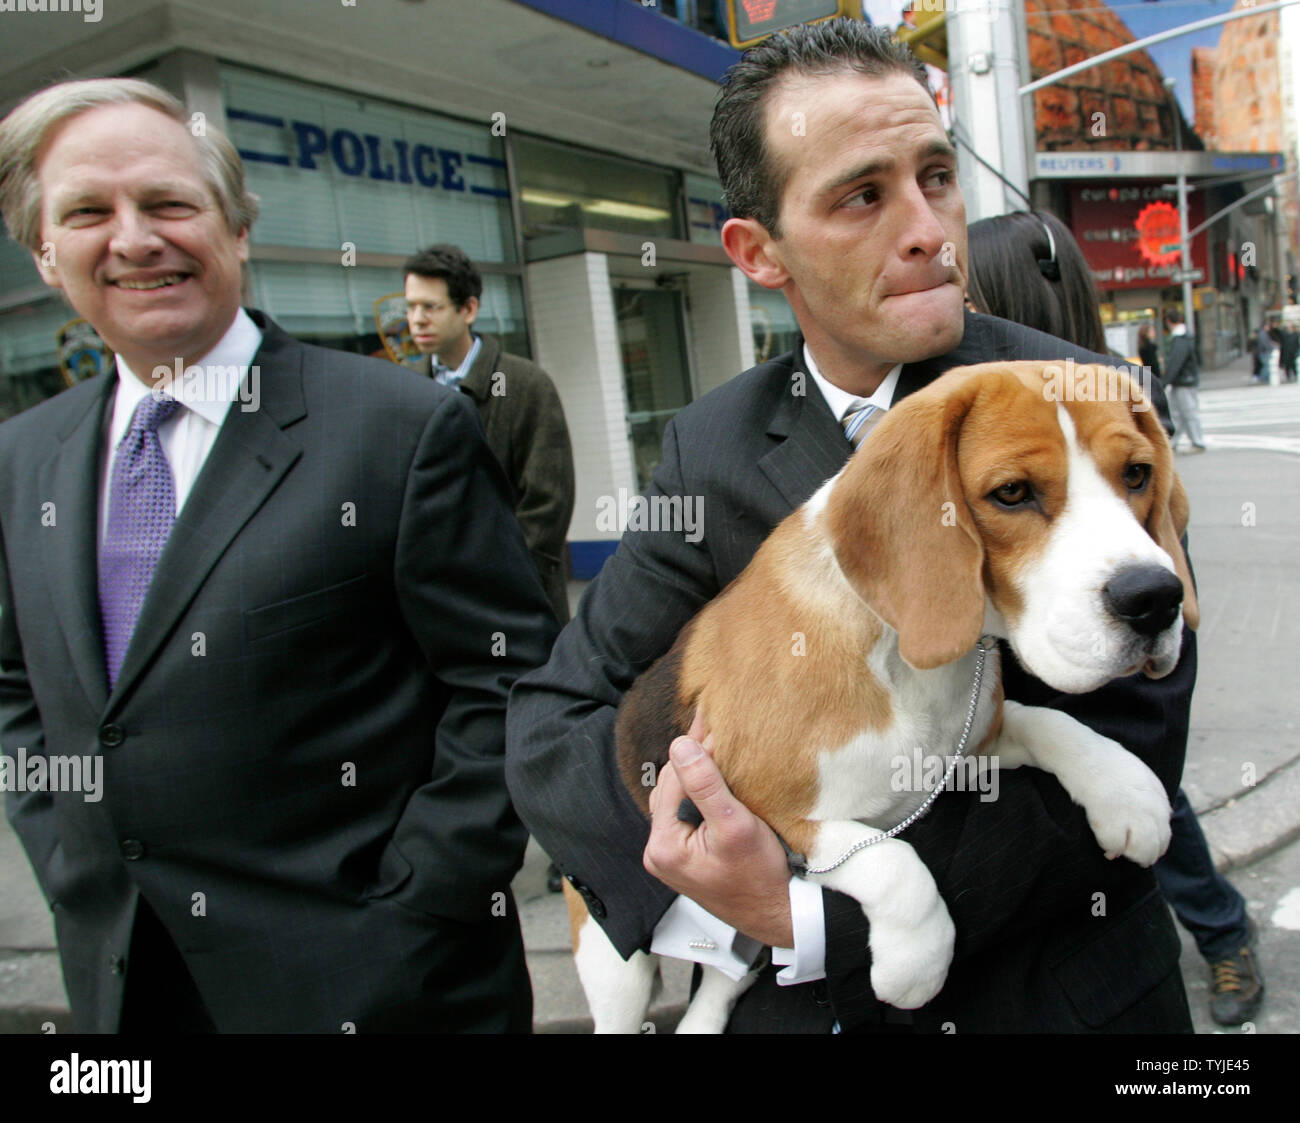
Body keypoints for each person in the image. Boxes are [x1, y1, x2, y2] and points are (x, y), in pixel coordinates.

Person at [506, 19, 1197, 1033]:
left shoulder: (1086, 398)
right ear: (757, 251)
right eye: (863, 195)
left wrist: (811, 915)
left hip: (1057, 1002)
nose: (926, 228)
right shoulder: (708, 445)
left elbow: (1125, 752)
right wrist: (704, 887)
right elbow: (556, 718)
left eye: (935, 176)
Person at [0, 78, 559, 1033]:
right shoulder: (23, 455)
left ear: (238, 229)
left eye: (170, 203)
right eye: (89, 212)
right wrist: (70, 856)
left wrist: (419, 905)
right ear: (45, 255)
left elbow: (509, 686)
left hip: (381, 989)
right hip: (125, 988)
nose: (135, 238)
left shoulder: (401, 428)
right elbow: (18, 688)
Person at [966, 210, 1264, 1028]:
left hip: (1083, 740)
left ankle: (1226, 934)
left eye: (972, 298)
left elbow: (1149, 716)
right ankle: (1223, 925)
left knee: (1151, 805)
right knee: (1151, 806)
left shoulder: (1112, 419)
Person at [403, 244, 575, 626]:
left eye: (431, 307)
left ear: (469, 309)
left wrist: (493, 582)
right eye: (411, 307)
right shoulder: (404, 389)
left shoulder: (525, 385)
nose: (417, 320)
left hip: (517, 605)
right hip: (433, 609)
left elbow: (548, 504)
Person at [1164, 308, 1207, 453]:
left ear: (1168, 321)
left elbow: (1176, 362)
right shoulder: (1185, 337)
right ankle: (1174, 442)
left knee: (1186, 412)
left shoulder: (1179, 338)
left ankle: (1197, 442)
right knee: (1179, 413)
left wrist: (1165, 381)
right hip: (1185, 380)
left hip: (1183, 381)